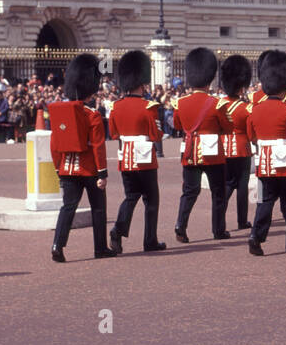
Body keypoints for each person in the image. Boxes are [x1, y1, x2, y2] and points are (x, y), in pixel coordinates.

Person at [47, 54, 114, 262]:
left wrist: (59, 169)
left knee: (68, 207)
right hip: (89, 169)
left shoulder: (60, 112)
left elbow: (54, 144)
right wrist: (102, 172)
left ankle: (57, 244)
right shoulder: (92, 114)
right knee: (99, 208)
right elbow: (98, 146)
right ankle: (100, 248)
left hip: (67, 168)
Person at [246, 51, 286, 257]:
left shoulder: (255, 110)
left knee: (265, 202)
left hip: (265, 162)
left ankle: (256, 236)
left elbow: (251, 135)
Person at [107, 50, 166, 254]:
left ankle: (118, 229)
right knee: (151, 200)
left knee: (130, 196)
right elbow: (157, 135)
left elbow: (113, 133)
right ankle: (150, 241)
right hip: (145, 159)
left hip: (126, 157)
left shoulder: (116, 106)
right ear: (142, 84)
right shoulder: (148, 106)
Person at [173, 48, 232, 242]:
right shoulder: (217, 103)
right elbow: (227, 127)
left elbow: (177, 126)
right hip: (212, 152)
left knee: (189, 191)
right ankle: (218, 230)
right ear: (209, 79)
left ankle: (180, 224)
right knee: (218, 193)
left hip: (189, 151)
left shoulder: (180, 103)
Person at [219, 55, 254, 233]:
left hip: (223, 149)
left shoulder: (219, 105)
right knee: (241, 186)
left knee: (226, 185)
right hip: (241, 149)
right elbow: (250, 132)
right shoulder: (246, 108)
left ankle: (219, 218)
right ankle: (242, 221)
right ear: (242, 86)